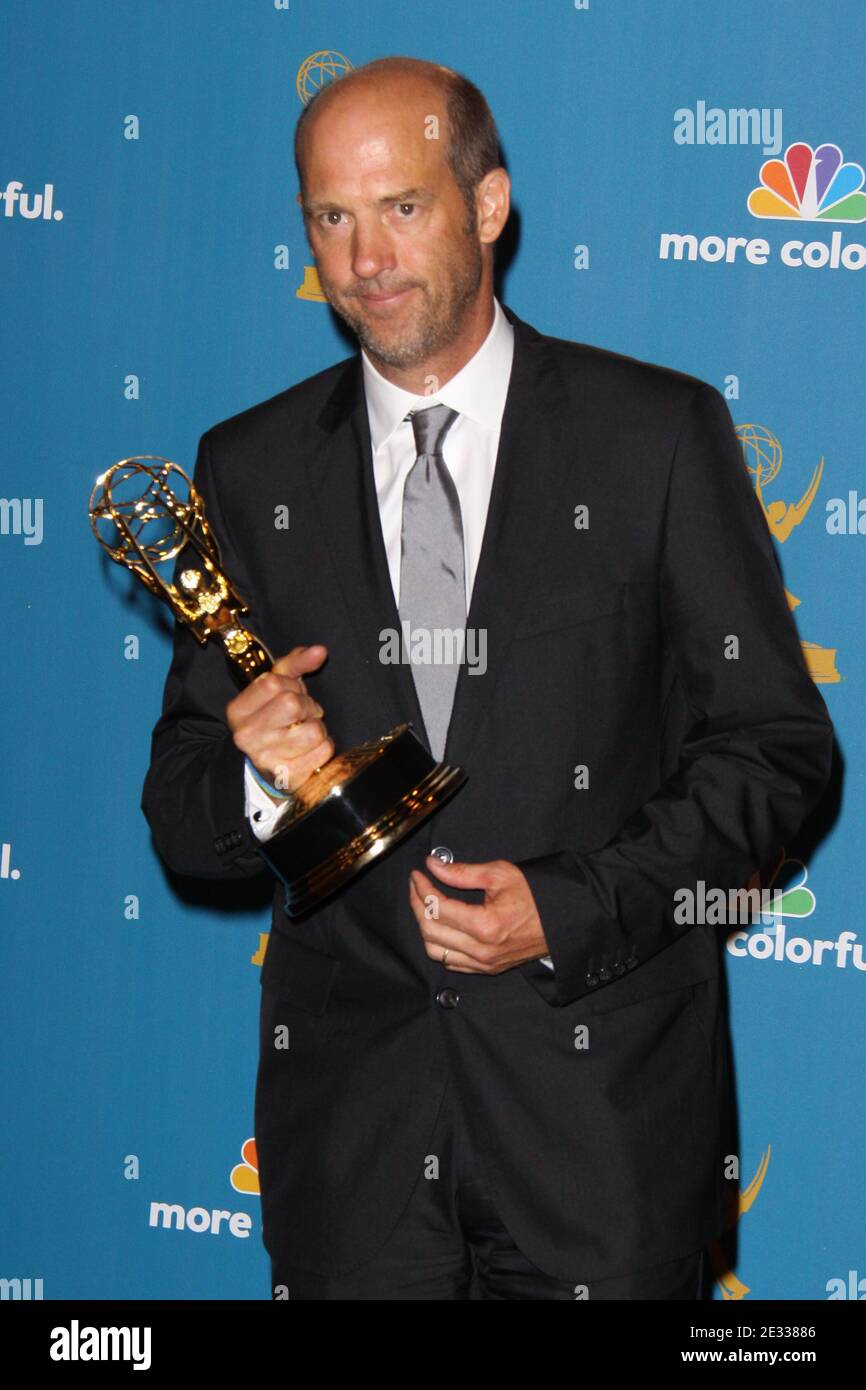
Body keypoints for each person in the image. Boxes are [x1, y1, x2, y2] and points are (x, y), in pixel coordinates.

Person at [141, 56, 834, 1300]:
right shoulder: (248, 469)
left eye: (400, 206)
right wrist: (256, 779)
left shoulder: (653, 437)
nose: (364, 259)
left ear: (488, 204)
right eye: (329, 217)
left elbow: (775, 754)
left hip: (602, 1146)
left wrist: (568, 909)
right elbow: (183, 819)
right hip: (352, 1164)